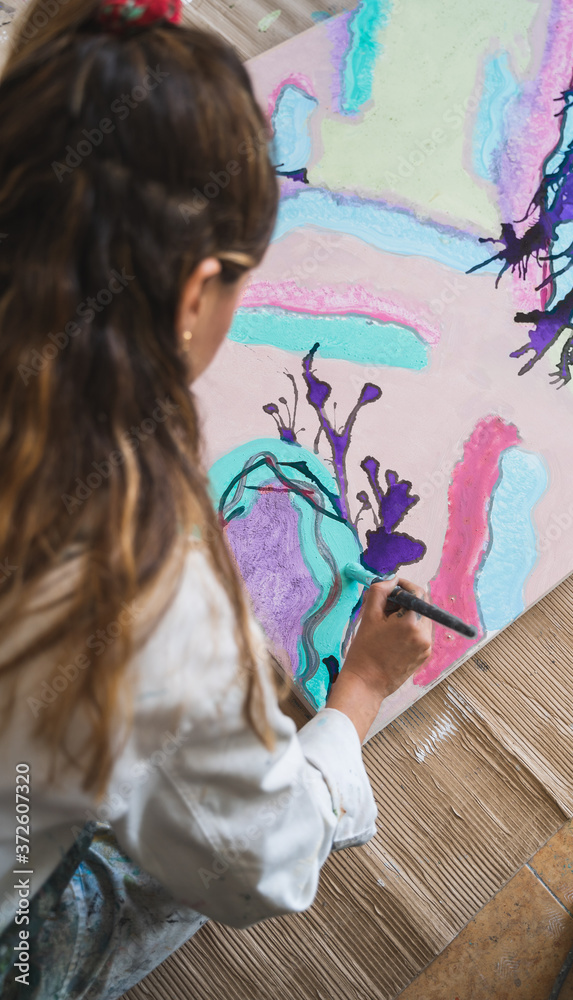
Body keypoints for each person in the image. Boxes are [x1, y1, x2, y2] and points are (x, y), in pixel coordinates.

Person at [0, 0, 432, 996]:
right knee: (157, 862)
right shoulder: (146, 588)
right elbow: (254, 864)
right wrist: (357, 696)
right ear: (196, 293)